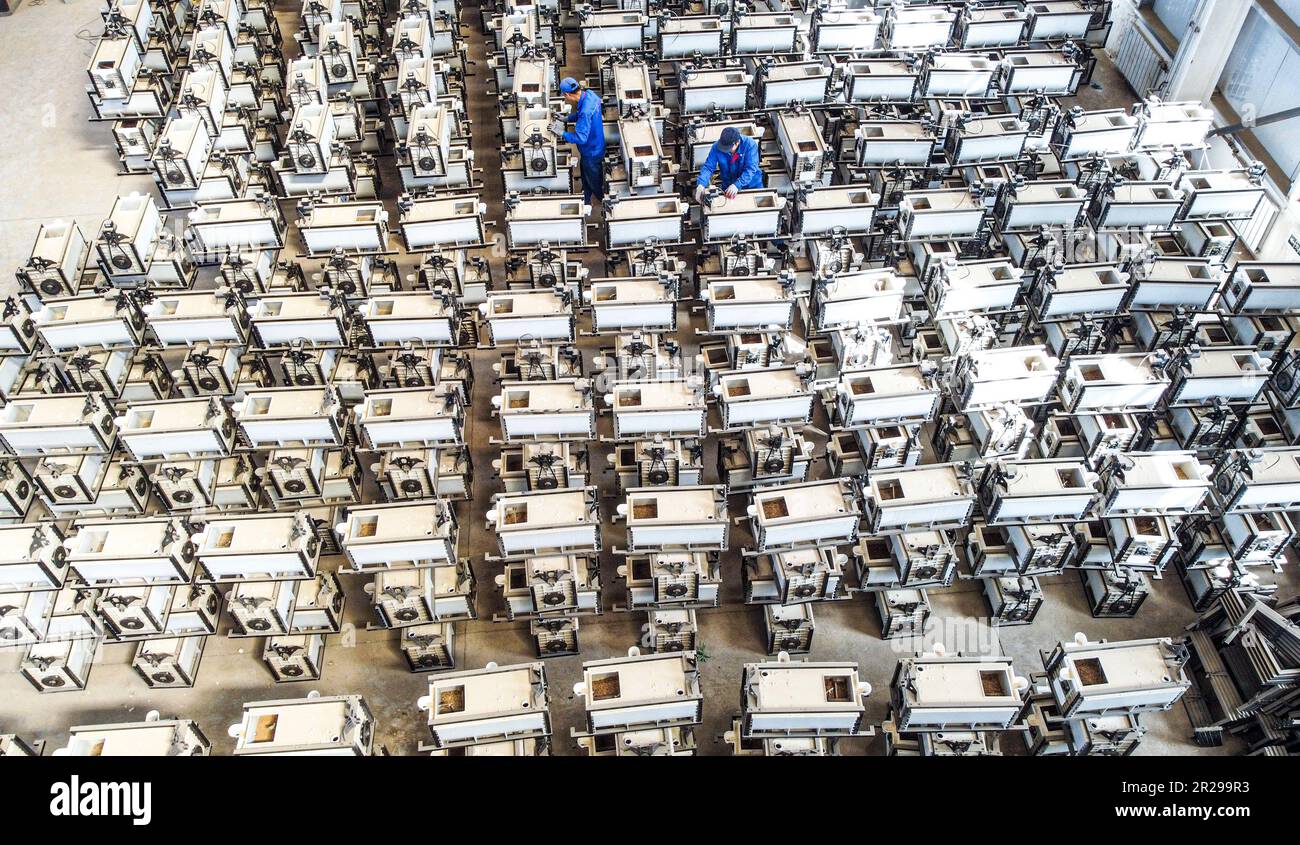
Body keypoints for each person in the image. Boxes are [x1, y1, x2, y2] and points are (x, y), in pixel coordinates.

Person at [551, 77, 606, 206]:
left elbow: (581, 138)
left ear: (567, 94)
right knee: (586, 172)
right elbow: (581, 113)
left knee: (593, 178)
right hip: (596, 143)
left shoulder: (586, 112)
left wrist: (561, 133)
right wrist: (567, 118)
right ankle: (586, 194)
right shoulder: (589, 95)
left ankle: (601, 198)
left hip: (591, 151)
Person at [694, 126, 763, 203]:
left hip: (752, 185)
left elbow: (750, 169)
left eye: (728, 148)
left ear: (737, 142)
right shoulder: (716, 147)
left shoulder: (749, 144)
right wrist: (701, 184)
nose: (725, 151)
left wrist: (737, 184)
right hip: (728, 186)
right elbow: (708, 167)